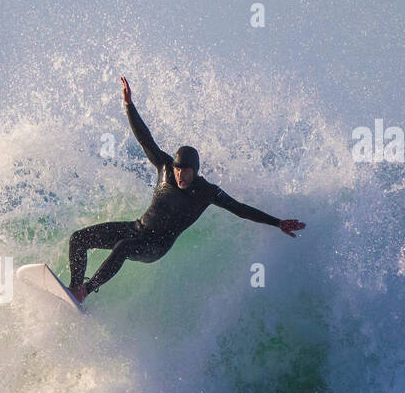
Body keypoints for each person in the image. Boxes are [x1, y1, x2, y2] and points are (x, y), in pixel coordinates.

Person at [67, 77, 305, 303]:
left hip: (155, 246)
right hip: (136, 229)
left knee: (123, 247)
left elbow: (240, 209)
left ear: (196, 171)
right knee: (79, 238)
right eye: (178, 169)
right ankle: (75, 288)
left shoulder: (206, 192)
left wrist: (278, 223)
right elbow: (144, 138)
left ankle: (85, 292)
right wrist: (129, 105)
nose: (180, 174)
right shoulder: (164, 167)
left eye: (186, 171)